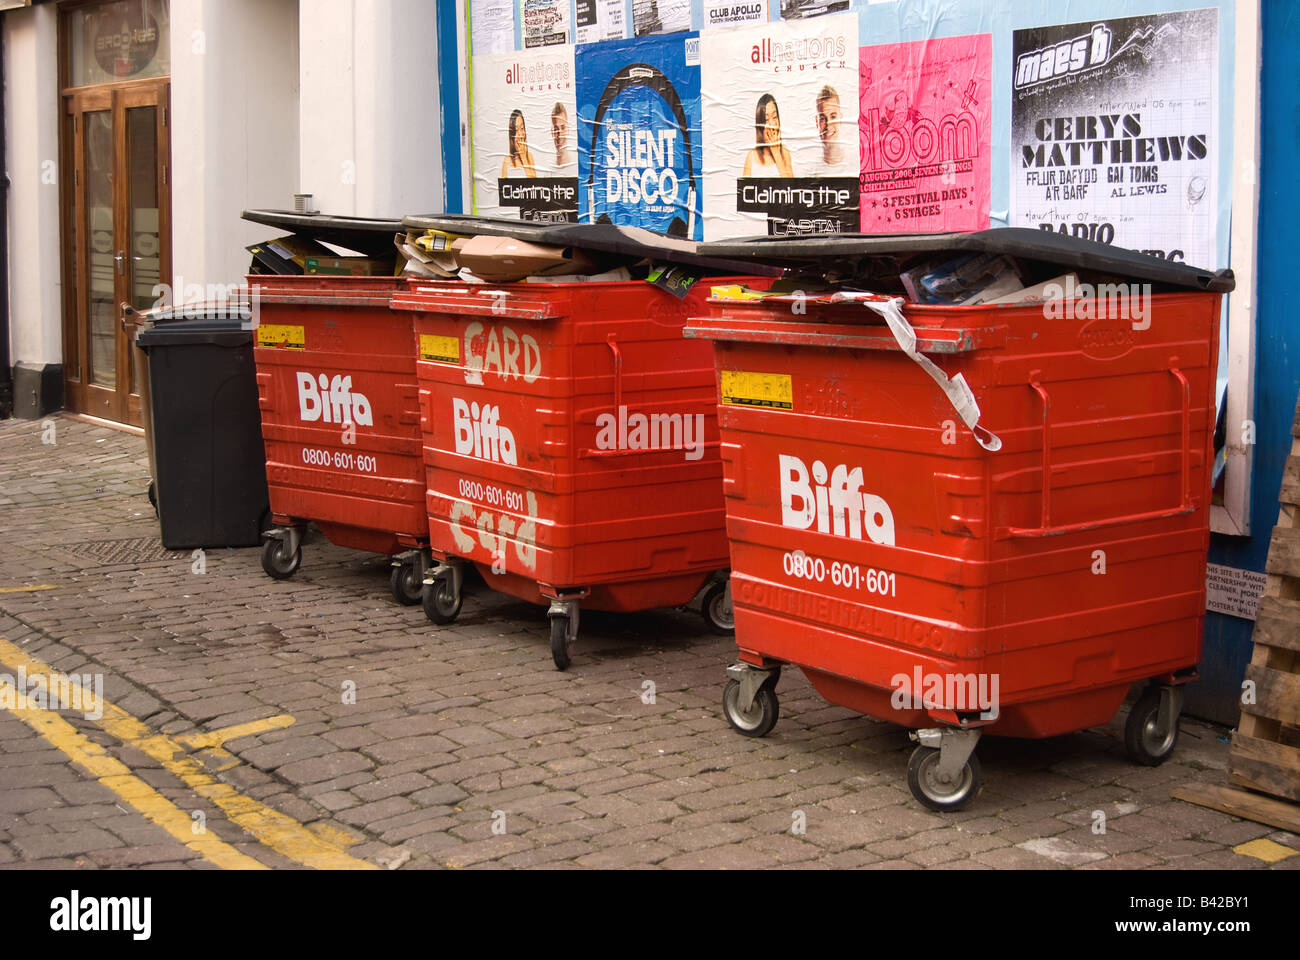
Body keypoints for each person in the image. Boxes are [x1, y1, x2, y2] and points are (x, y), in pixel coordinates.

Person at [743, 93, 794, 178]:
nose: (772, 124)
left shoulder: (785, 153)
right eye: (766, 120)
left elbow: (790, 188)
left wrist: (776, 153)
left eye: (774, 117)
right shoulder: (751, 157)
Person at [500, 109, 536, 178]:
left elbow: (534, 184)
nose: (520, 134)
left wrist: (523, 157)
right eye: (516, 130)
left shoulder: (529, 157)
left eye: (522, 128)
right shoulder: (507, 161)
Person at [815, 85, 843, 167]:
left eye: (833, 116)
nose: (828, 125)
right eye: (823, 118)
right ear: (817, 122)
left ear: (840, 119)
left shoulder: (856, 165)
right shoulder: (810, 173)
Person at [551, 102, 572, 169]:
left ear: (568, 130)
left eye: (563, 128)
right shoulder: (548, 171)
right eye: (556, 129)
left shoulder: (575, 167)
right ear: (552, 132)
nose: (559, 135)